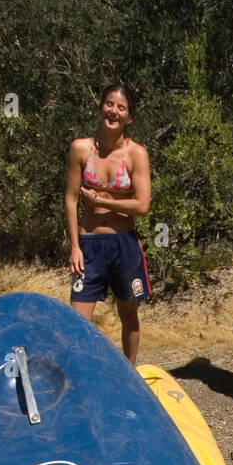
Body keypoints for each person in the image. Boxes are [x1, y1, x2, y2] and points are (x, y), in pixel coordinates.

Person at [65, 84, 151, 363]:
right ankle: (81, 378)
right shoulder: (80, 149)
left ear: (129, 117)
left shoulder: (136, 153)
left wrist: (104, 202)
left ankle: (130, 373)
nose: (113, 111)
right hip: (88, 244)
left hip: (123, 244)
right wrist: (74, 247)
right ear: (101, 107)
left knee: (129, 315)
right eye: (109, 104)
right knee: (77, 322)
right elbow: (70, 198)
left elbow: (142, 206)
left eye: (121, 108)